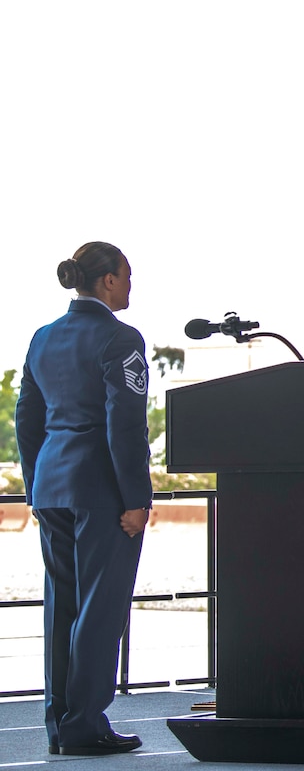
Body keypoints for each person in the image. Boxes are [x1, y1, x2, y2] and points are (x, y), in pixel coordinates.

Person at [15, 243, 151, 756]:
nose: (131, 285)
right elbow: (125, 424)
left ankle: (60, 725)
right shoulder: (120, 337)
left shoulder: (43, 337)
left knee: (62, 609)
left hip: (52, 487)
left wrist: (37, 484)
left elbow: (27, 419)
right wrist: (135, 497)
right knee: (100, 609)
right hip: (101, 492)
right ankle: (86, 725)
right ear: (108, 280)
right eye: (128, 275)